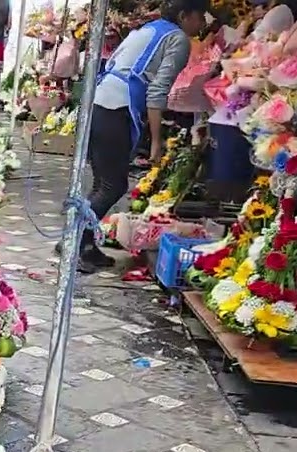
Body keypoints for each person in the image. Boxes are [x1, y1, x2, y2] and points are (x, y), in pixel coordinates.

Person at [63, 0, 206, 274]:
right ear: (184, 15)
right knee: (112, 186)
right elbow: (157, 92)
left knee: (103, 182)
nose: (202, 24)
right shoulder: (177, 39)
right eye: (200, 17)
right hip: (117, 108)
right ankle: (75, 241)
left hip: (98, 102)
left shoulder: (149, 29)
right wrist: (155, 141)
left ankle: (84, 243)